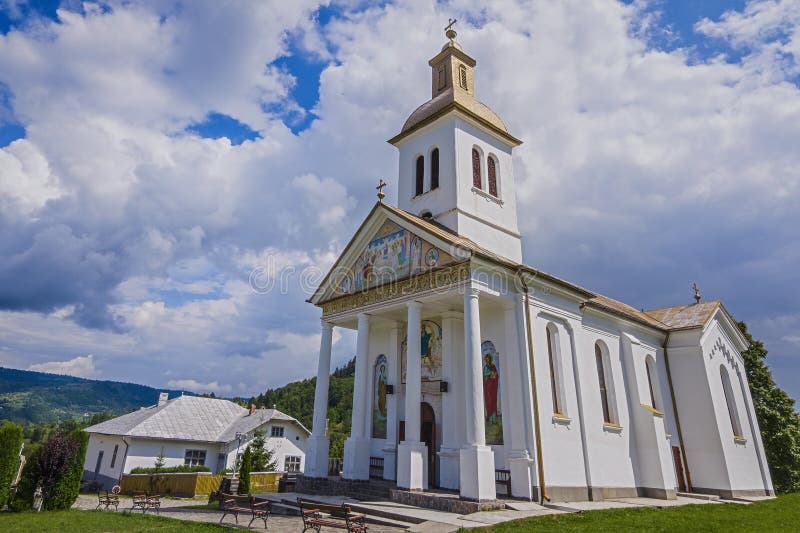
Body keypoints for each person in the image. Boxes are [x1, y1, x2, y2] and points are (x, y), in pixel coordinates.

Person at [483, 354, 499, 424]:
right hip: (487, 388)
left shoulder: (493, 367)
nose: (487, 360)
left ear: (490, 359)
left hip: (493, 388)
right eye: (485, 359)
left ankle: (494, 418)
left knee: (493, 401)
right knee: (488, 402)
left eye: (488, 359)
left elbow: (496, 375)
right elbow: (484, 376)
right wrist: (489, 374)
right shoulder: (485, 367)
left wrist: (493, 375)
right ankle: (489, 418)